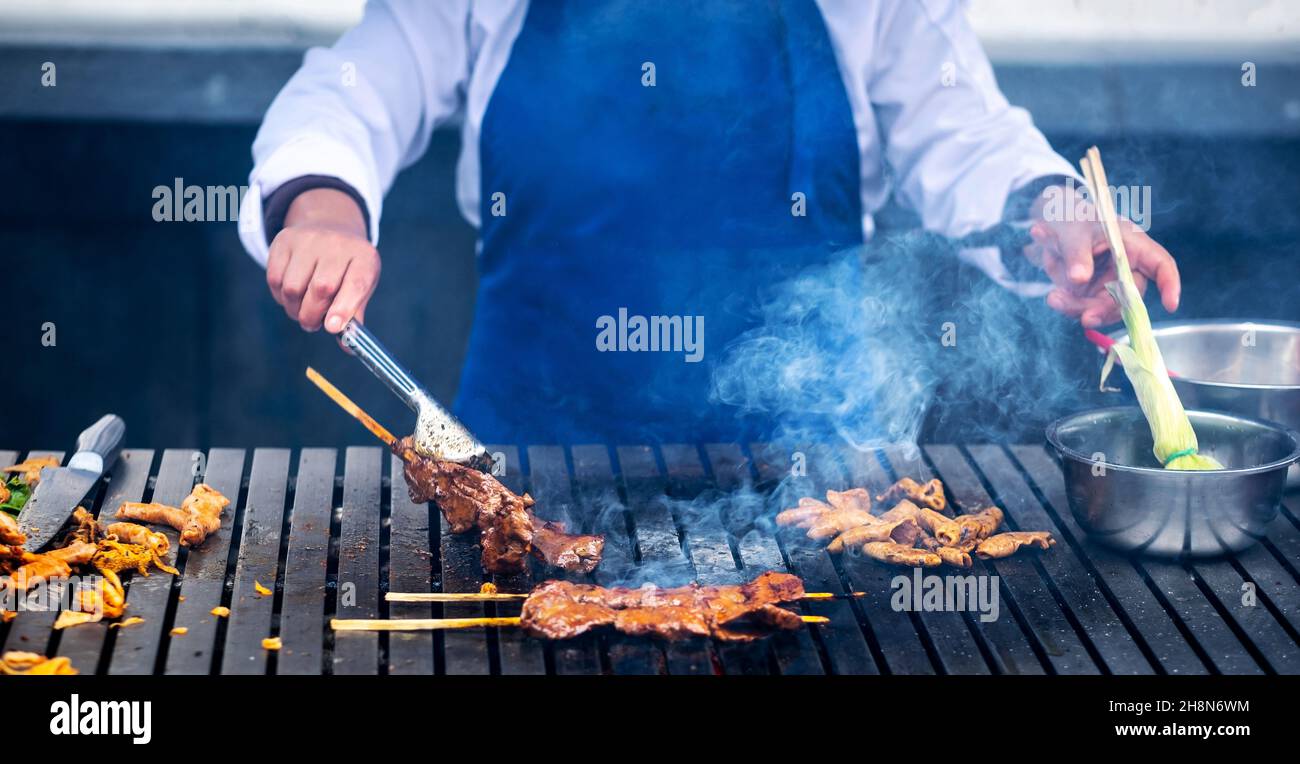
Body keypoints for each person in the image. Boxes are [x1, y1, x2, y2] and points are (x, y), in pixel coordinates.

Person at [238, 0, 1180, 444]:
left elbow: (966, 130)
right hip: (531, 451)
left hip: (820, 469)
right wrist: (320, 208)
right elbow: (353, 88)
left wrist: (1051, 212)